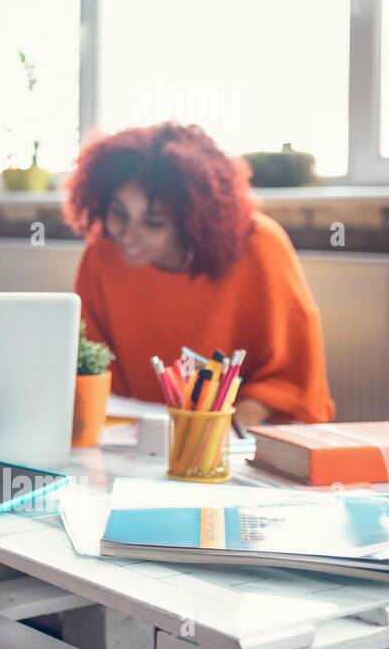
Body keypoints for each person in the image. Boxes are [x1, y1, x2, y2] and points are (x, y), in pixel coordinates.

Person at [62, 121, 334, 427]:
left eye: (153, 223)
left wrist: (216, 436)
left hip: (239, 436)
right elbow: (89, 368)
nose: (127, 235)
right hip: (132, 433)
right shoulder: (103, 254)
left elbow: (293, 378)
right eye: (119, 214)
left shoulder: (259, 246)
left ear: (192, 222)